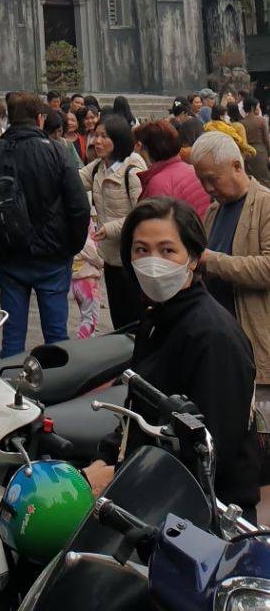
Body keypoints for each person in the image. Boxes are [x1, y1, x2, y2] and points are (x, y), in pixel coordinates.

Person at [83, 198, 260, 510]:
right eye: (141, 250)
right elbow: (139, 411)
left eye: (167, 251)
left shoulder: (212, 335)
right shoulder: (157, 316)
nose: (153, 262)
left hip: (205, 511)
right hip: (152, 487)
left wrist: (118, 474)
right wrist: (105, 458)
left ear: (192, 257)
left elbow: (211, 447)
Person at [0, 92, 90, 357]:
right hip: (52, 256)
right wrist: (70, 245)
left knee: (12, 336)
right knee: (57, 334)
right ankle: (58, 388)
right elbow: (79, 206)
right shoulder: (55, 151)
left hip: (10, 255)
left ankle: (9, 388)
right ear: (39, 118)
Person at [191, 130, 270, 407]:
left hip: (256, 344)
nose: (208, 188)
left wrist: (210, 260)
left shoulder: (265, 205)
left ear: (237, 166)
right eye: (202, 181)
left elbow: (268, 268)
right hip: (220, 338)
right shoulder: (213, 212)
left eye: (212, 179)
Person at [80, 111, 147, 327]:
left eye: (104, 136)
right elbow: (74, 181)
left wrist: (110, 228)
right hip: (110, 257)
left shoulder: (132, 171)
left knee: (135, 317)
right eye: (96, 135)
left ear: (117, 140)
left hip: (131, 258)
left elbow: (141, 214)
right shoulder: (100, 166)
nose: (97, 141)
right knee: (118, 318)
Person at [134, 118, 211, 217]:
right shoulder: (191, 169)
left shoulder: (158, 183)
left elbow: (157, 227)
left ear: (144, 148)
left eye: (138, 145)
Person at [243, 95, 270, 186]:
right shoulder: (261, 121)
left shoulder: (241, 123)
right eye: (258, 106)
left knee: (251, 181)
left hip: (246, 154)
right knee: (264, 180)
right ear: (252, 107)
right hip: (260, 152)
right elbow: (266, 139)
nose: (259, 109)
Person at [45, 108, 81, 172]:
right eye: (52, 131)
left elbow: (78, 166)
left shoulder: (67, 143)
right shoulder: (40, 145)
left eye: (59, 131)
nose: (56, 135)